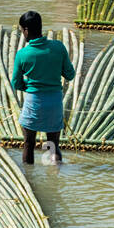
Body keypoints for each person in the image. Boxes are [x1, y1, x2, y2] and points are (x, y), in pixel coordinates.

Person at [10, 10, 75, 164]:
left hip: (34, 102)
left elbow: (16, 83)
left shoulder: (22, 54)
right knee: (52, 146)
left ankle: (29, 178)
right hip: (54, 102)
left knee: (28, 144)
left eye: (21, 31)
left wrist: (31, 86)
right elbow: (70, 75)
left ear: (26, 30)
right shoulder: (58, 47)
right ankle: (55, 180)